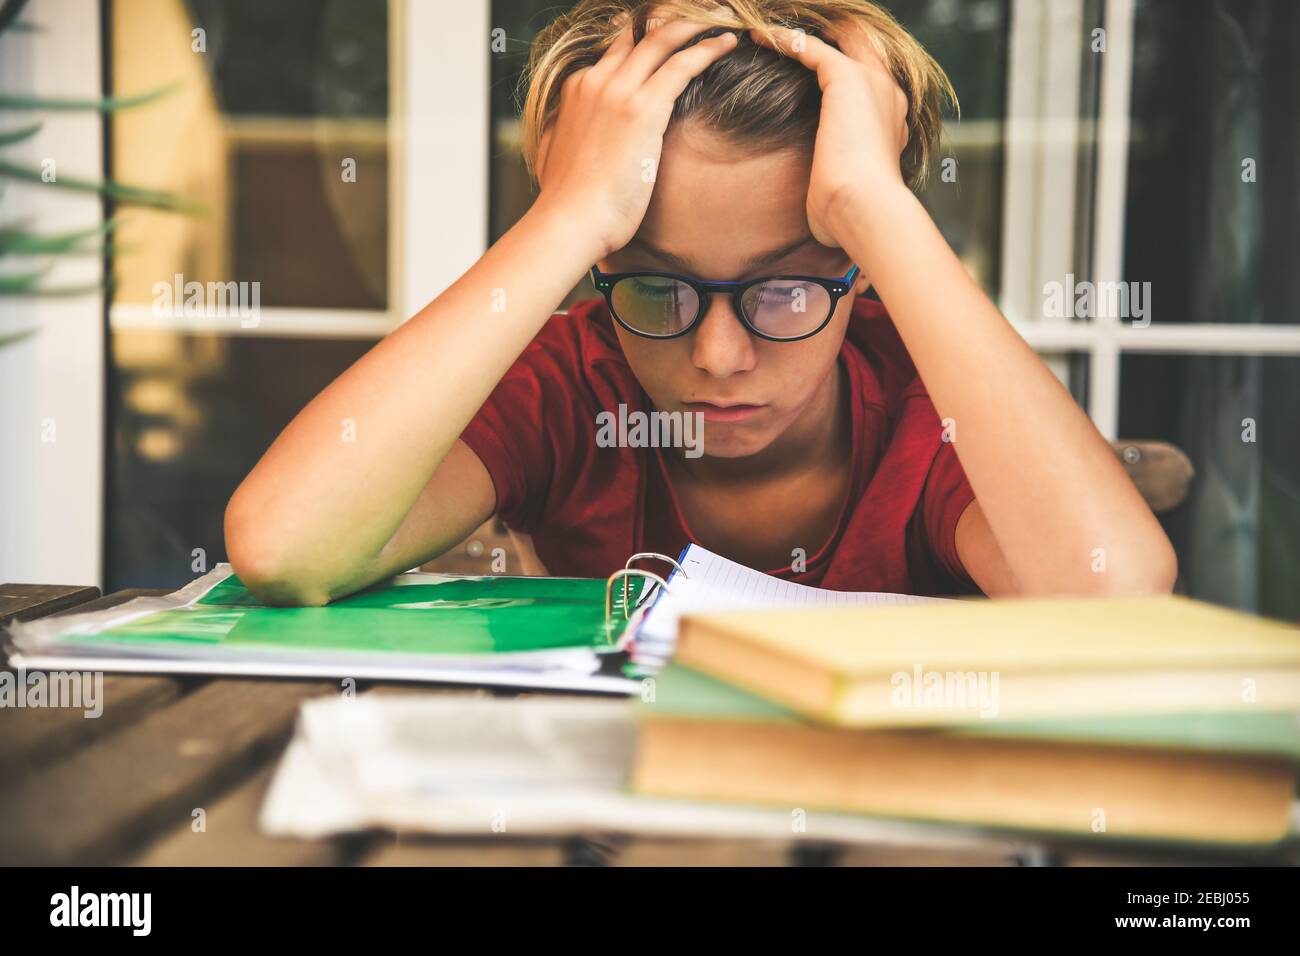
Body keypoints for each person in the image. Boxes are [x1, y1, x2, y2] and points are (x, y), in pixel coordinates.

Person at [224, 0, 1176, 606]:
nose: (719, 356)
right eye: (652, 282)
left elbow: (1116, 599)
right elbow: (285, 546)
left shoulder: (937, 408)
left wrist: (879, 204)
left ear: (867, 264)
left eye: (791, 286)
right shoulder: (573, 386)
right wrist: (571, 216)